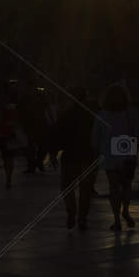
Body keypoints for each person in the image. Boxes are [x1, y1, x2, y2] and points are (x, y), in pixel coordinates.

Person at [92, 82, 139, 232]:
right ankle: (125, 210)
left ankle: (116, 219)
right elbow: (138, 136)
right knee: (126, 186)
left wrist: (99, 149)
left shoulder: (102, 114)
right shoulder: (130, 113)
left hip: (110, 157)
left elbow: (95, 137)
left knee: (114, 188)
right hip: (127, 155)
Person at [51, 89, 97, 231]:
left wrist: (53, 153)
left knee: (67, 186)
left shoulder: (66, 115)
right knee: (85, 189)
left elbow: (56, 135)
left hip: (70, 156)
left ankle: (71, 209)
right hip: (88, 157)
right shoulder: (93, 116)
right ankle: (82, 218)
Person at [0, 82, 20, 189]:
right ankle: (8, 178)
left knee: (7, 158)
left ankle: (8, 178)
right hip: (7, 134)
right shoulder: (9, 107)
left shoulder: (2, 107)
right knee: (8, 158)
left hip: (5, 135)